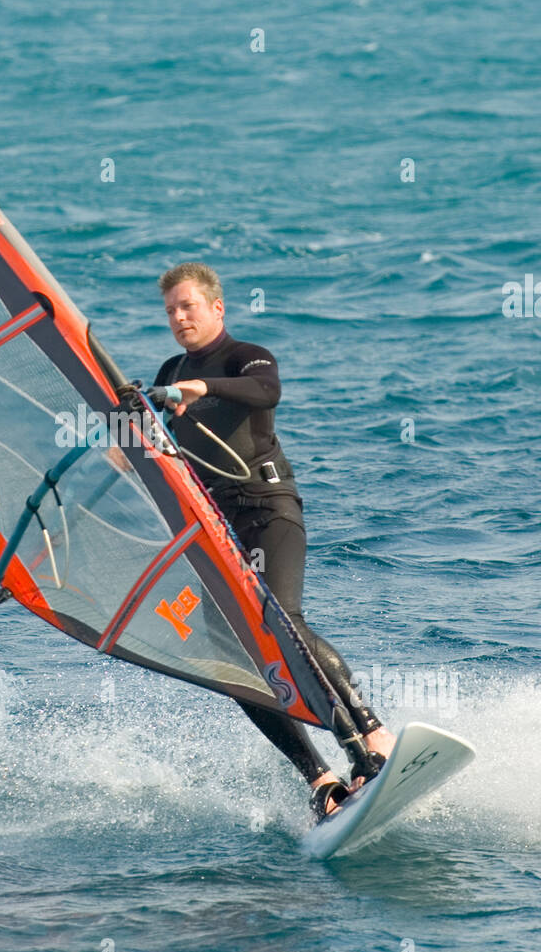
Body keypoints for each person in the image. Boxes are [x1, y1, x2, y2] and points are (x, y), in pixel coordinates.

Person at [151, 262, 395, 819]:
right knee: (236, 657)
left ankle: (372, 736)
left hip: (268, 511)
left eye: (187, 306)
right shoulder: (169, 369)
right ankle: (321, 779)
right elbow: (154, 439)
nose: (178, 317)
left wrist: (202, 387)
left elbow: (266, 392)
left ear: (217, 307)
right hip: (215, 530)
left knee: (281, 620)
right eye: (169, 310)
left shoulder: (246, 357)